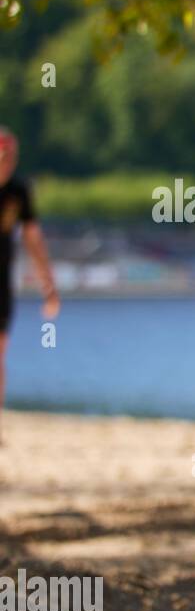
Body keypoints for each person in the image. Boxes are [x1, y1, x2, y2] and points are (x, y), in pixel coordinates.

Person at [0, 127, 60, 446]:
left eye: (11, 156)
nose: (8, 162)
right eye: (3, 155)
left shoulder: (18, 192)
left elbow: (33, 239)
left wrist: (48, 286)